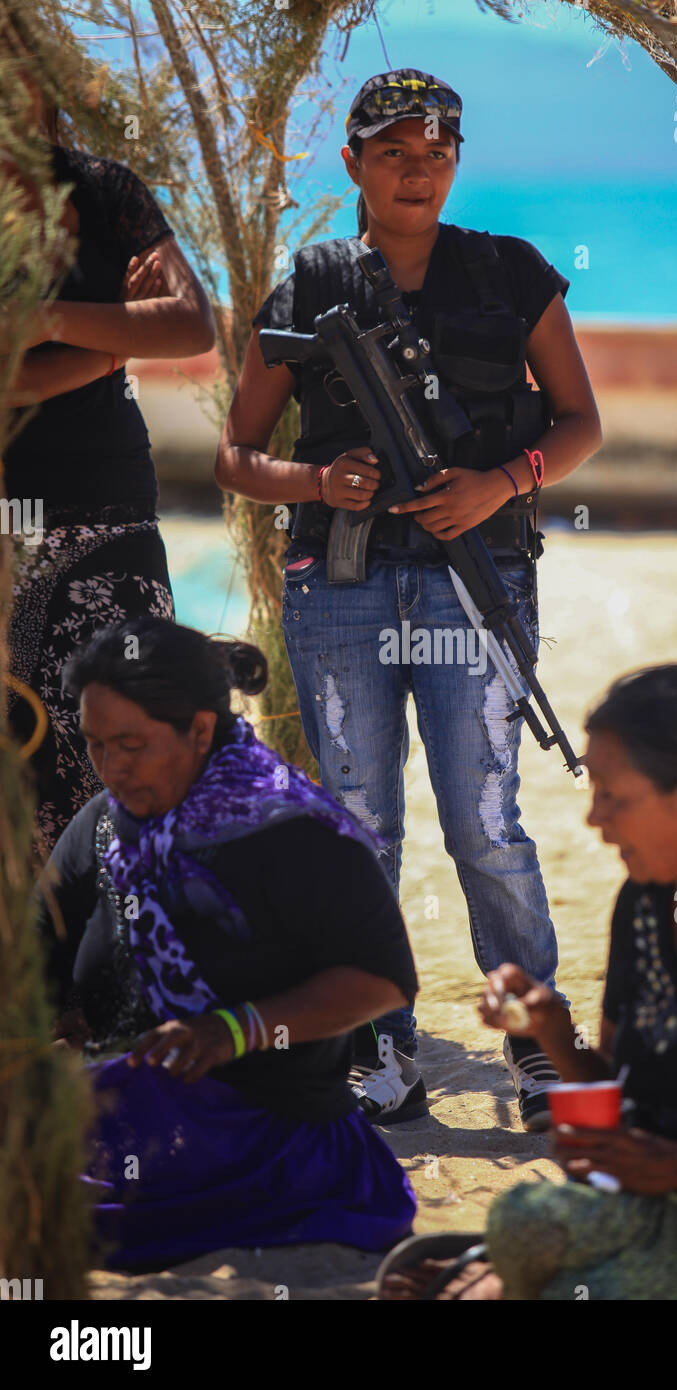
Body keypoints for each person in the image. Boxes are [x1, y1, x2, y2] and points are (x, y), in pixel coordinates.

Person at [215, 68, 603, 1128]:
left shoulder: (509, 273)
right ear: (353, 164)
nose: (417, 167)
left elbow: (576, 423)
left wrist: (498, 484)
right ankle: (376, 1043)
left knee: (485, 821)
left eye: (435, 149)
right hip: (338, 588)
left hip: (475, 586)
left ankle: (535, 1041)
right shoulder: (308, 284)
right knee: (358, 826)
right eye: (392, 150)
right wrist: (315, 482)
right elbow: (235, 453)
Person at [378, 664, 677, 1299]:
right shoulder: (646, 902)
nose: (593, 819)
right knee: (520, 1217)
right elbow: (618, 1092)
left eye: (611, 793)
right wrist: (551, 1028)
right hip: (662, 1210)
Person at [34, 617, 418, 1272]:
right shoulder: (107, 821)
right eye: (96, 744)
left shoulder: (296, 832)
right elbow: (38, 945)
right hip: (127, 1101)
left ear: (201, 730)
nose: (111, 767)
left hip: (270, 1134)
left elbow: (382, 981)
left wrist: (233, 1029)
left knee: (59, 1221)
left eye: (132, 743)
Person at [0, 11, 215, 858]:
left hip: (107, 510)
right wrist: (115, 336)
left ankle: (126, 968)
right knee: (18, 765)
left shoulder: (107, 189)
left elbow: (191, 322)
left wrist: (45, 317)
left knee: (125, 747)